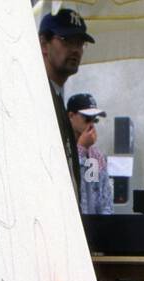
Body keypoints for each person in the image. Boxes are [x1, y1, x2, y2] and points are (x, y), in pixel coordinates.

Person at [38, 8, 93, 199]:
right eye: (67, 40)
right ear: (43, 44)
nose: (76, 49)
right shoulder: (38, 97)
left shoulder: (57, 98)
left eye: (80, 43)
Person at [66, 93, 113, 214]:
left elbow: (102, 197)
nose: (91, 124)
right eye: (87, 119)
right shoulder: (60, 147)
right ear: (71, 116)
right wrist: (81, 148)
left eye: (94, 120)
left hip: (93, 225)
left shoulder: (96, 155)